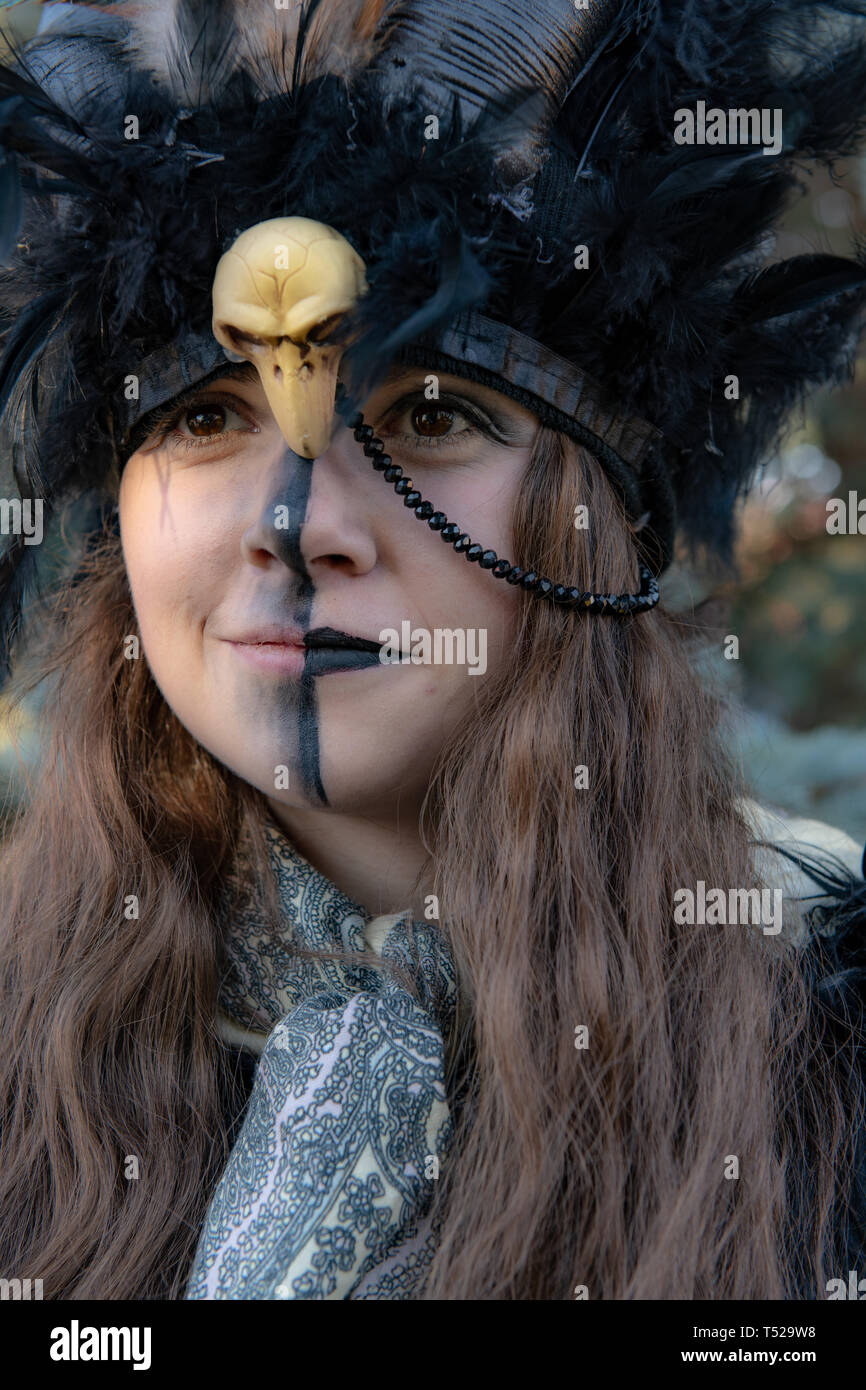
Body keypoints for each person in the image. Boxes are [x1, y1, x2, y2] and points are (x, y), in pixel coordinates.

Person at [0, 0, 864, 1301]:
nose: (294, 529)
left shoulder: (832, 1055)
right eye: (205, 415)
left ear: (596, 524)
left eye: (433, 411)